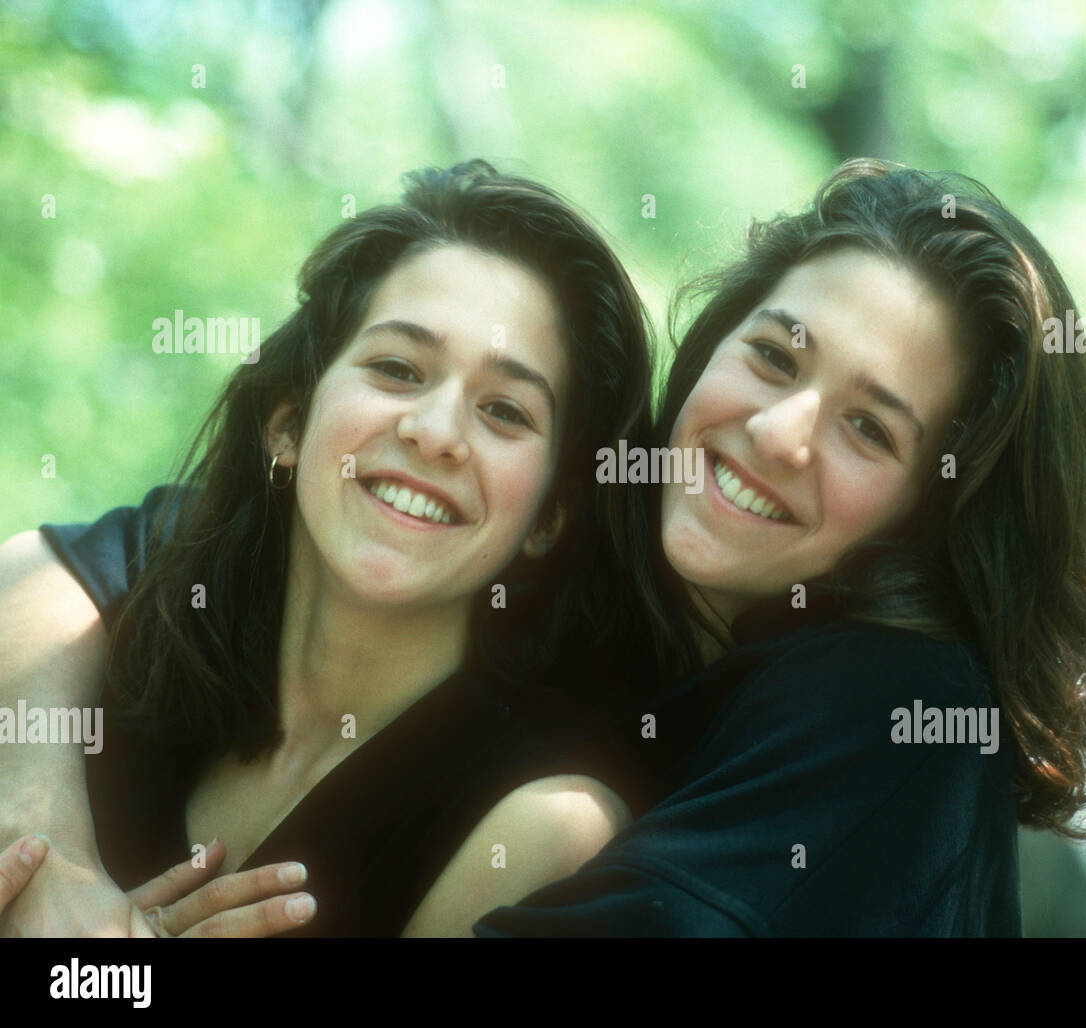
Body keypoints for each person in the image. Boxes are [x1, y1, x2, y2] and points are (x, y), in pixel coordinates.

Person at [4, 159, 1086, 936]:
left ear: (925, 515)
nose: (778, 432)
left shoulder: (886, 716)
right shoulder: (576, 581)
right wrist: (50, 865)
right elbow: (62, 567)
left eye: (868, 426)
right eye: (773, 355)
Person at [0, 159, 686, 937]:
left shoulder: (543, 822)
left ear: (549, 517)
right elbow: (34, 564)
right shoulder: (153, 607)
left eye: (504, 410)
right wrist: (43, 850)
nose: (435, 432)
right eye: (397, 368)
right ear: (288, 422)